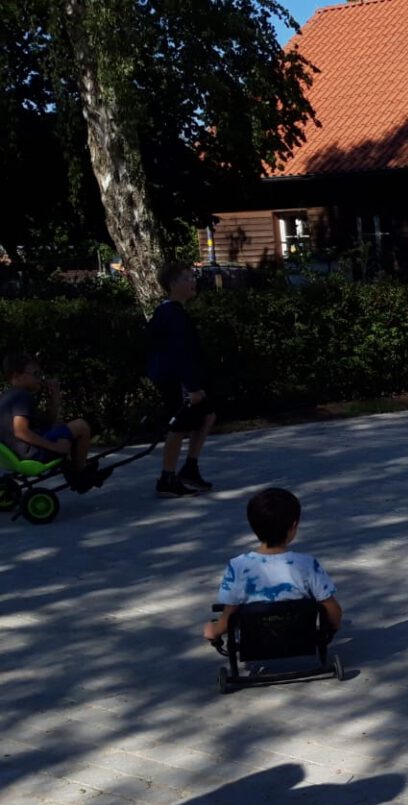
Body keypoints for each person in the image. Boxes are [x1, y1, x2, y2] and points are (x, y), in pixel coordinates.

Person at [204, 487, 342, 642]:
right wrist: (331, 628)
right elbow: (333, 611)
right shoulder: (308, 564)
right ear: (294, 526)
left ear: (253, 527)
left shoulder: (238, 566)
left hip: (254, 644)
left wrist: (213, 630)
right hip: (300, 641)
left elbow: (229, 615)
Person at [146, 261, 217, 497]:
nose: (193, 282)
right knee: (179, 426)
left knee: (207, 415)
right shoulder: (170, 314)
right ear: (172, 284)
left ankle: (190, 468)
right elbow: (180, 353)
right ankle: (167, 477)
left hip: (181, 377)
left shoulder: (174, 312)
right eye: (187, 278)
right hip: (176, 379)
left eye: (192, 277)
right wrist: (192, 387)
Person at [0, 353, 102, 490]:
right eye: (36, 374)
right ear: (17, 375)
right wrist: (54, 447)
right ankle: (81, 476)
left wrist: (54, 397)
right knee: (81, 426)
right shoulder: (22, 396)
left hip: (16, 455)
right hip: (30, 454)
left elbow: (49, 422)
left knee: (62, 428)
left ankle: (73, 469)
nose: (40, 379)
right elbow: (21, 431)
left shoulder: (7, 396)